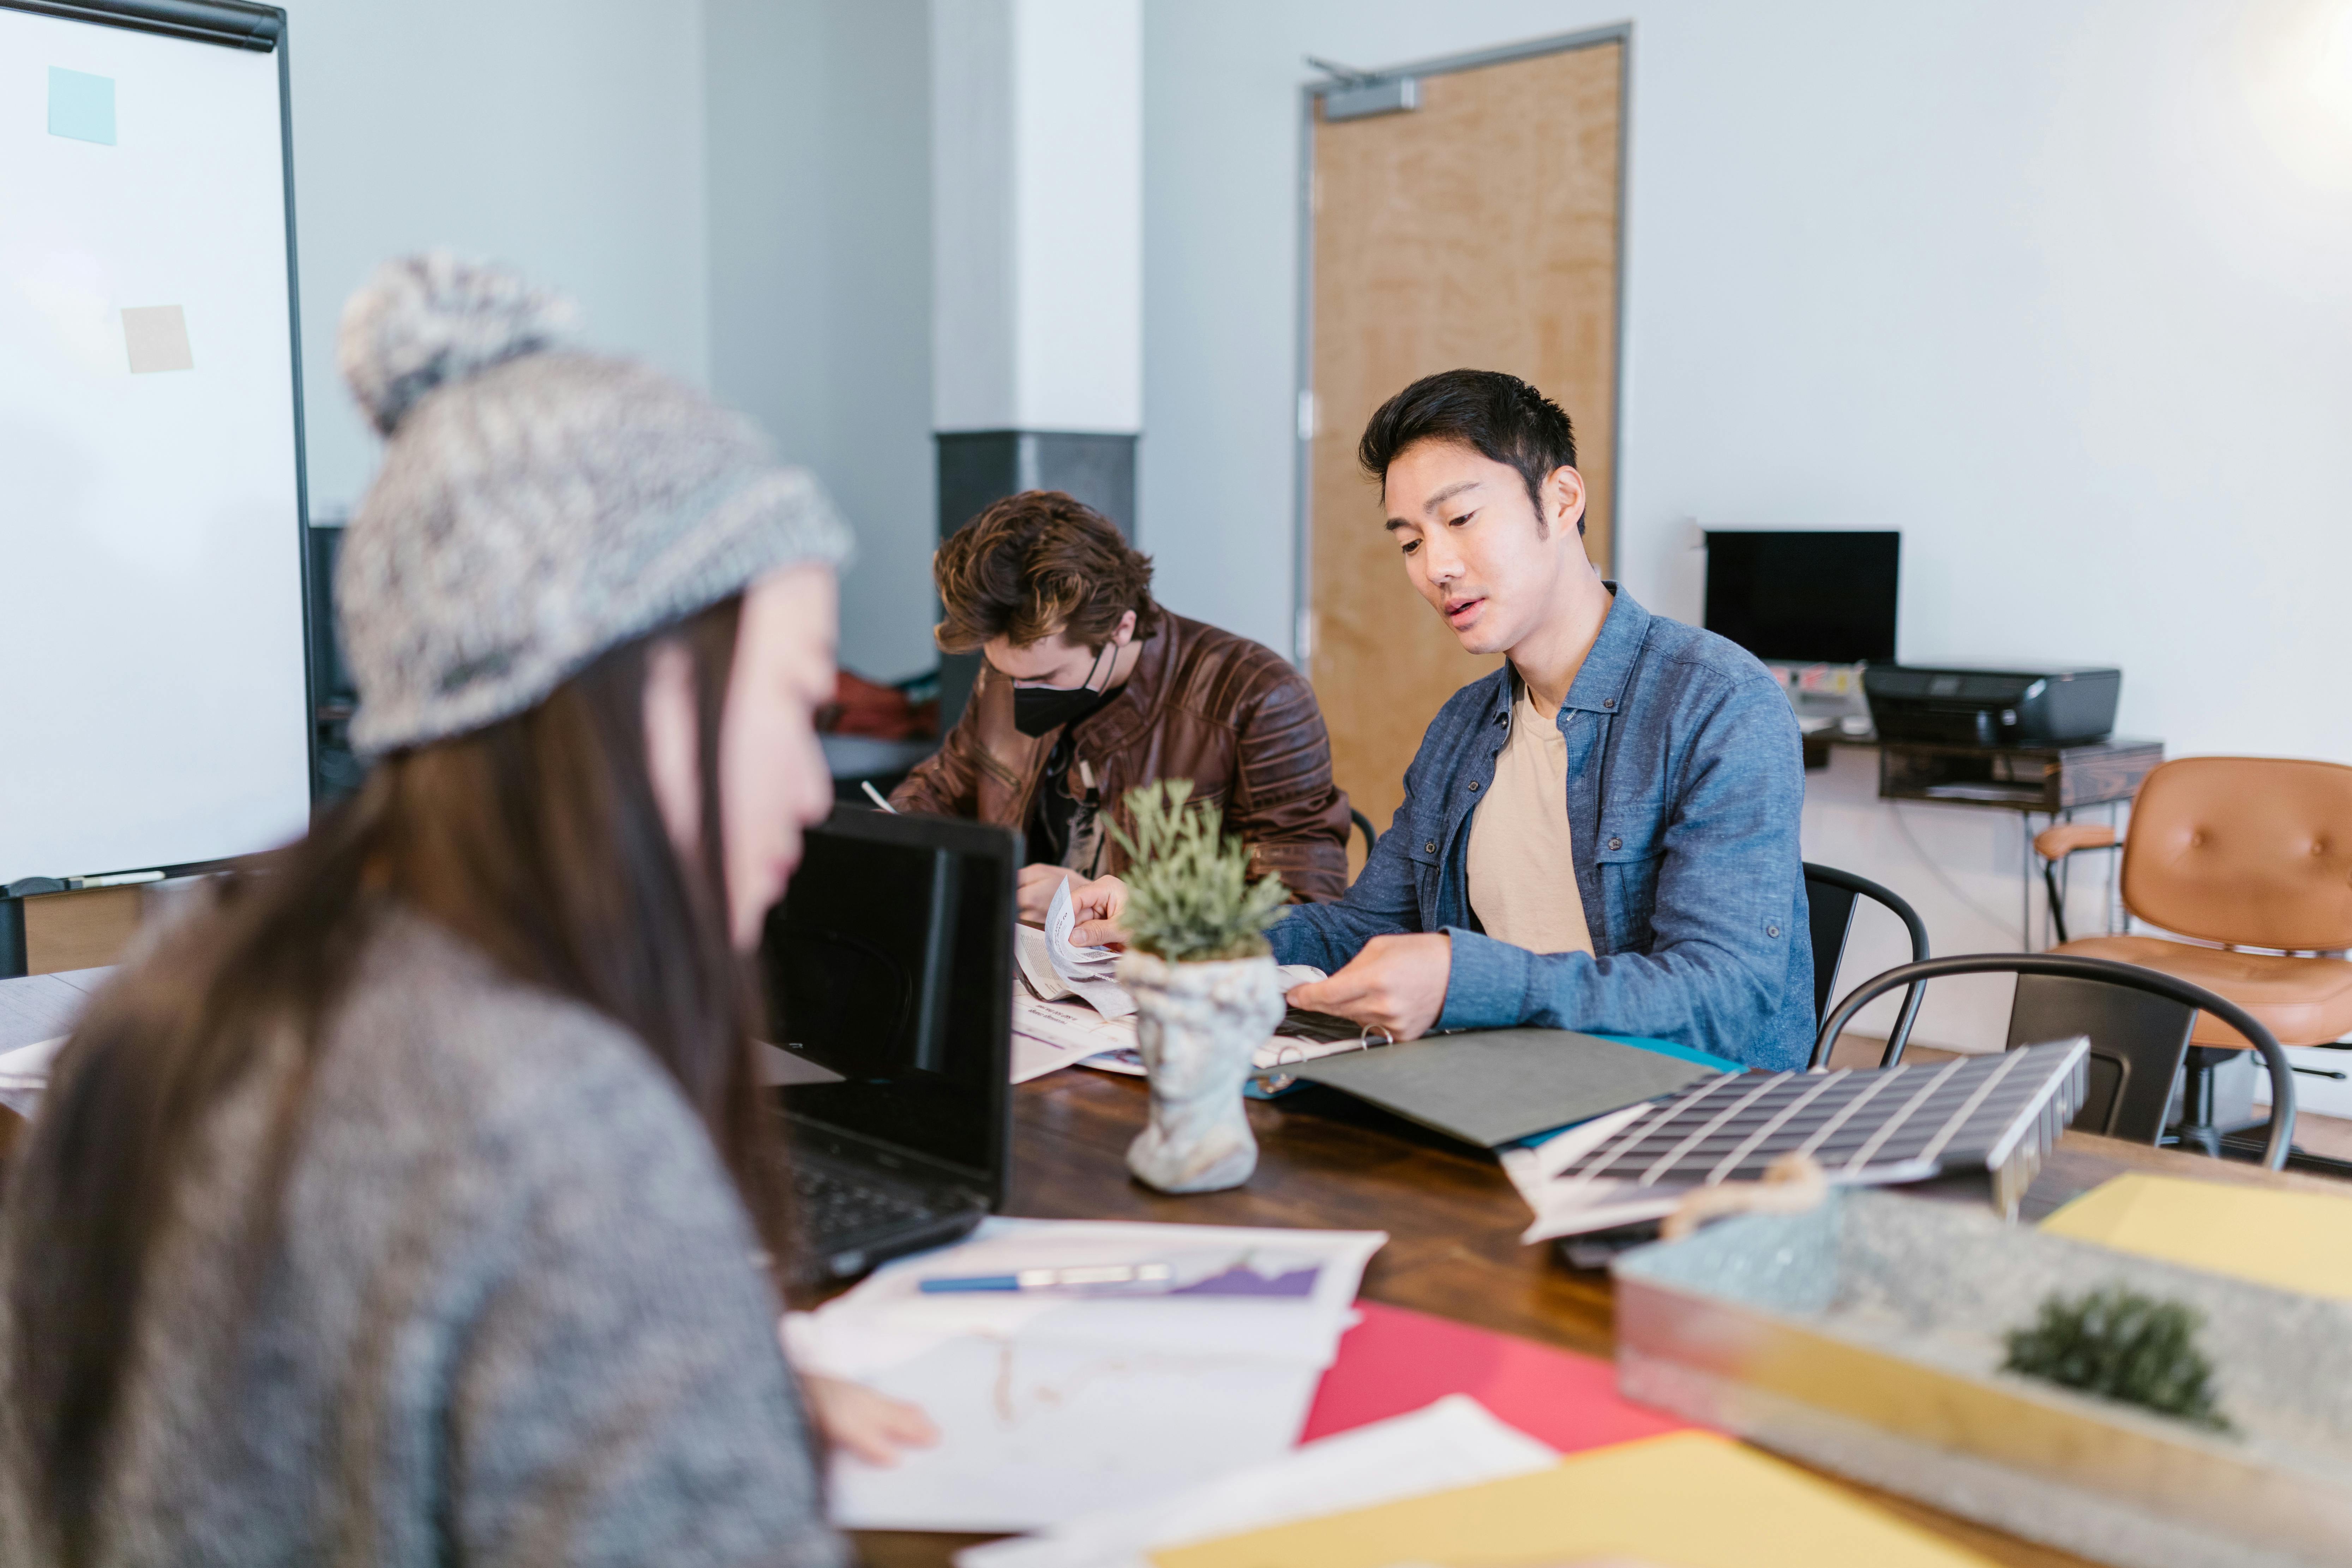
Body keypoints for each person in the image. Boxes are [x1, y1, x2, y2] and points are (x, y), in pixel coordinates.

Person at [0, 254, 929, 1568]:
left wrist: (678, 1396)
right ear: (638, 687)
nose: (805, 789)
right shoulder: (557, 1125)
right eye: (793, 707)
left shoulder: (179, 999)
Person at [1072, 369, 1812, 1071]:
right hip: (1505, 1084)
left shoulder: (1717, 701)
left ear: (1560, 501)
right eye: (1410, 542)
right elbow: (1361, 929)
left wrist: (1468, 978)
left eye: (1459, 518)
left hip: (1680, 1111)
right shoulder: (1466, 724)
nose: (1436, 566)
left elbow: (1721, 1000)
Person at [890, 489, 1353, 914]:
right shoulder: (1007, 670)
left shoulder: (1259, 696)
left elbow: (1304, 909)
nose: (1017, 692)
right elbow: (944, 788)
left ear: (1121, 628)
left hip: (1167, 988)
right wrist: (888, 838)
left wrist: (1138, 910)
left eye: (1046, 677)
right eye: (1006, 673)